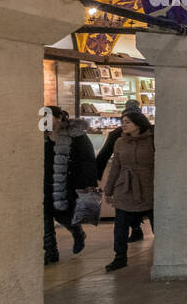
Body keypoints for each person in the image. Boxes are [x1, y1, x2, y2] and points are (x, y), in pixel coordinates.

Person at [101, 109, 154, 272]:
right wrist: (108, 190)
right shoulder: (119, 142)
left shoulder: (153, 141)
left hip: (148, 186)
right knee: (121, 224)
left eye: (127, 122)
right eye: (122, 122)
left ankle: (164, 254)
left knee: (157, 221)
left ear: (138, 124)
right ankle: (120, 257)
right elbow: (115, 167)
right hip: (125, 186)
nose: (123, 125)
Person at [43, 107, 96, 265]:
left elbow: (88, 160)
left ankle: (77, 232)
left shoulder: (76, 136)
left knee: (64, 215)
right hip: (45, 185)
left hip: (69, 184)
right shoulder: (40, 137)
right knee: (44, 219)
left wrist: (87, 185)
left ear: (59, 117)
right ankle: (50, 252)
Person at [95, 99, 145, 243]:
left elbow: (103, 156)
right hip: (127, 178)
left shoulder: (117, 134)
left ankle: (135, 232)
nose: (125, 125)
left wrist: (97, 176)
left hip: (132, 178)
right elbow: (105, 157)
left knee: (131, 207)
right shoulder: (119, 135)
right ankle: (122, 249)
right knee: (128, 208)